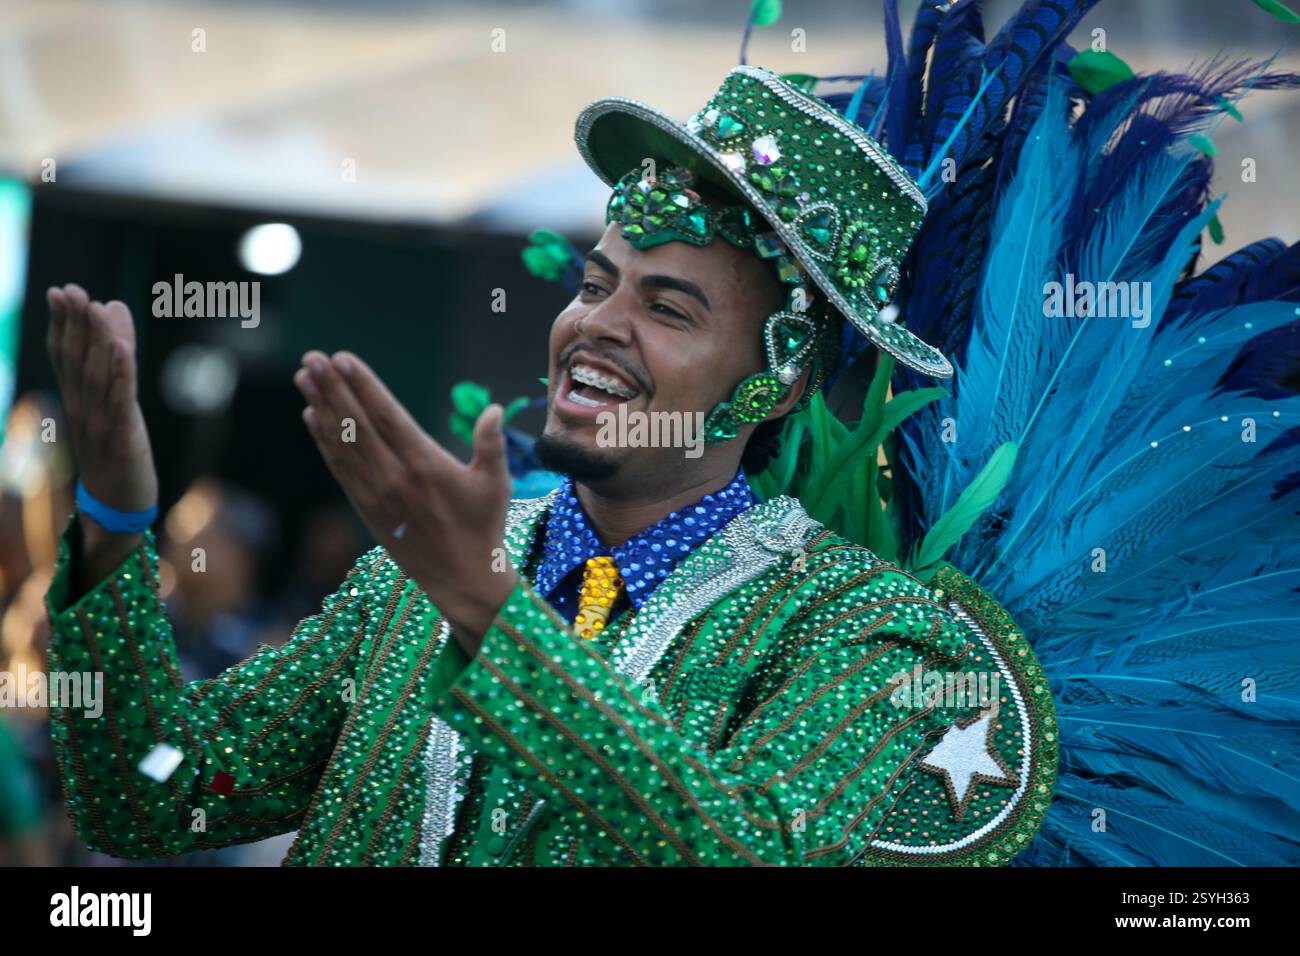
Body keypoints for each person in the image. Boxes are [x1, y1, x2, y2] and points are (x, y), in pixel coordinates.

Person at [42, 0, 1300, 868]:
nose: (595, 325)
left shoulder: (863, 629)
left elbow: (749, 842)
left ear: (776, 374)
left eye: (668, 304)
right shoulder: (418, 579)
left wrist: (485, 612)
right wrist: (109, 518)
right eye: (594, 282)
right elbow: (150, 788)